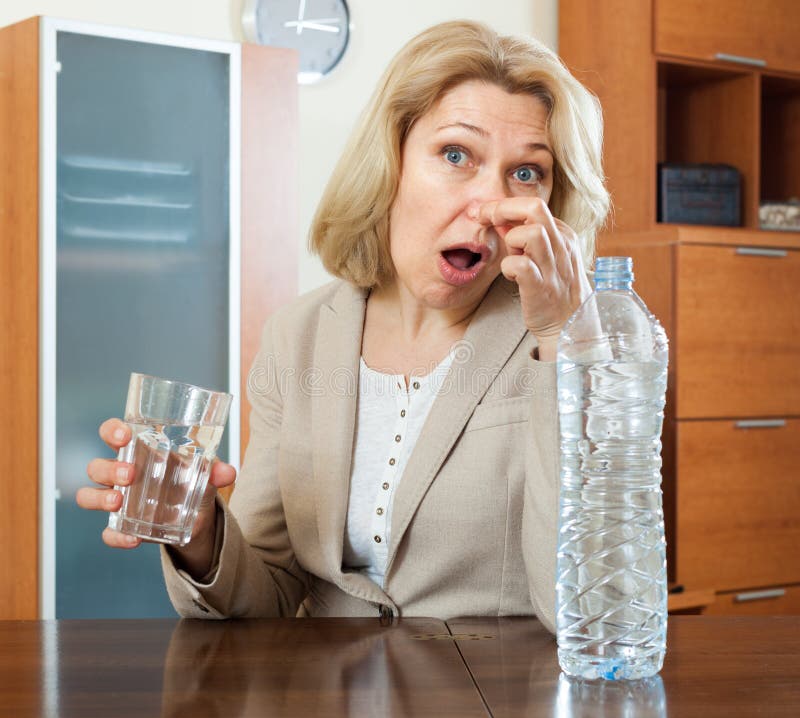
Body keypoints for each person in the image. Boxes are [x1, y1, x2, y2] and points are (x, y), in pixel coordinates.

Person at [77, 20, 609, 631]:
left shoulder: (571, 340)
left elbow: (590, 608)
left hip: (494, 686)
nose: (491, 206)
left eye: (527, 172)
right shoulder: (298, 336)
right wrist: (200, 533)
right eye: (455, 155)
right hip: (324, 684)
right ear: (390, 163)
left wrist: (564, 339)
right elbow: (270, 590)